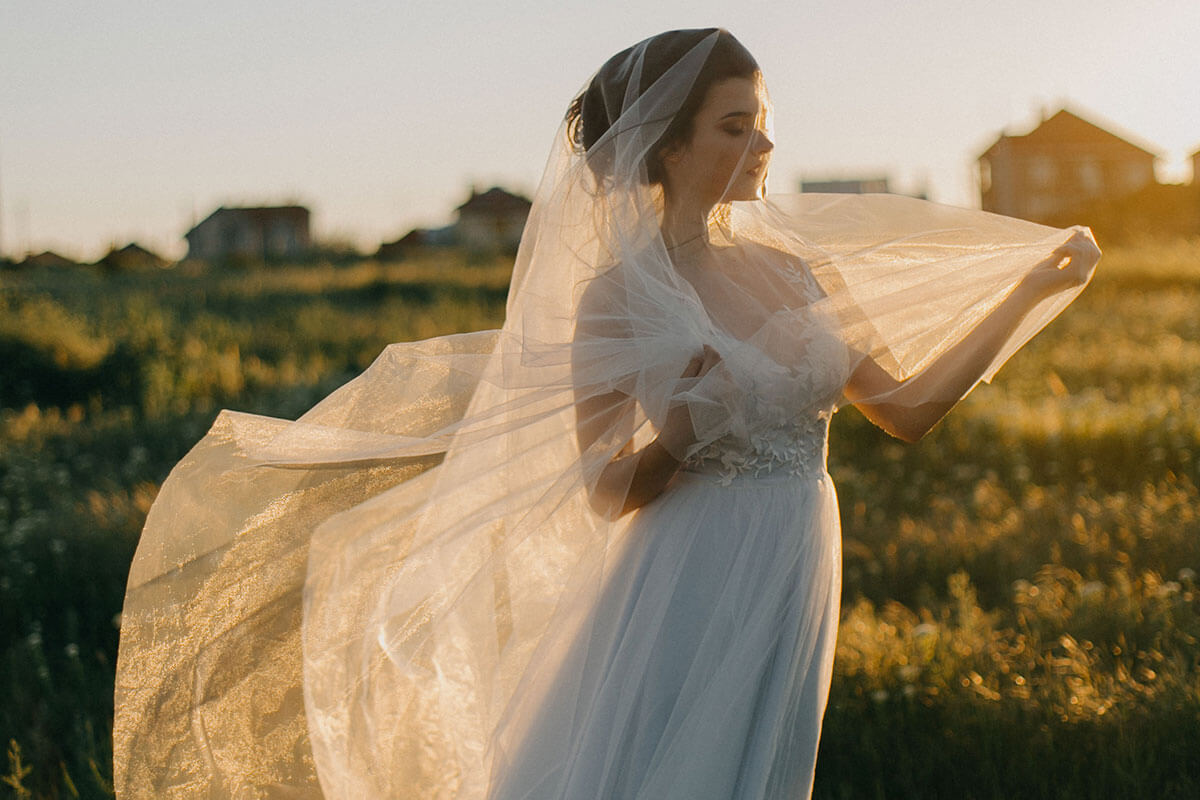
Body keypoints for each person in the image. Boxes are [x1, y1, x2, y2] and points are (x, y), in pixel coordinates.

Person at [112, 28, 1100, 800]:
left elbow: (911, 408)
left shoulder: (797, 271)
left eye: (762, 119)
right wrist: (677, 438)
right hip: (687, 568)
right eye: (735, 123)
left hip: (796, 549)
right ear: (665, 144)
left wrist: (1031, 290)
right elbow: (604, 493)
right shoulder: (618, 296)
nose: (764, 141)